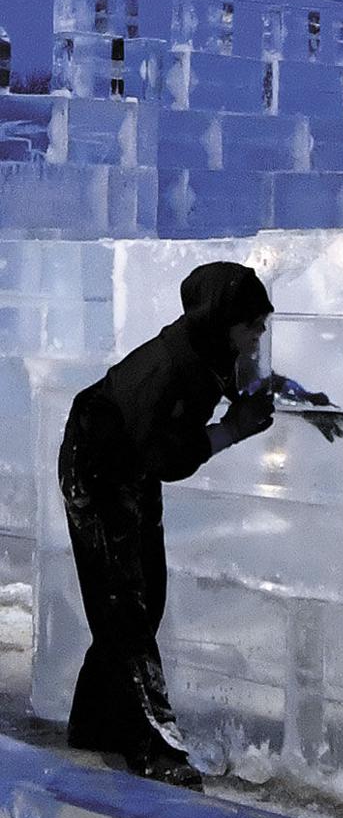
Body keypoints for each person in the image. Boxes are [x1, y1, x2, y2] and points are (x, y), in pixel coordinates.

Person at [57, 262, 277, 789]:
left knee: (143, 600)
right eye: (253, 325)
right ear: (223, 320)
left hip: (131, 470)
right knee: (124, 609)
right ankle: (152, 746)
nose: (260, 335)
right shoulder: (168, 368)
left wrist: (316, 408)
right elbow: (164, 456)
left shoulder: (213, 350)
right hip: (99, 467)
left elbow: (248, 388)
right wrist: (228, 432)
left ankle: (95, 724)